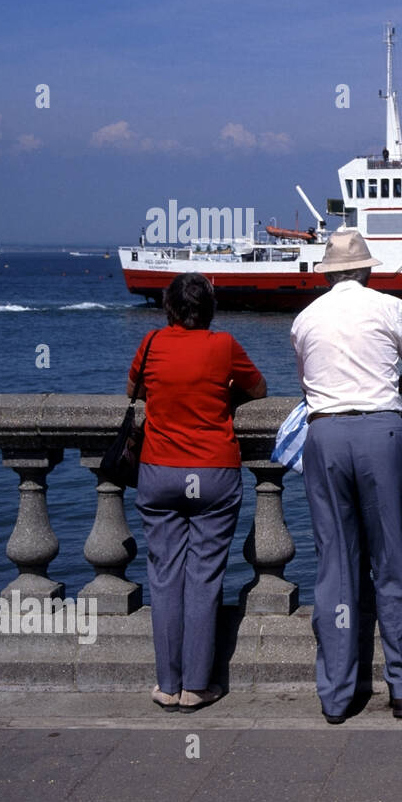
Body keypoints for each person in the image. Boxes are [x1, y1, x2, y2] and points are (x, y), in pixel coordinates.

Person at [290, 228, 402, 723]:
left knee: (335, 567)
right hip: (382, 432)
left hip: (326, 435)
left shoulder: (304, 319)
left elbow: (312, 382)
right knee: (390, 561)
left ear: (328, 274)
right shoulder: (390, 307)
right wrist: (388, 382)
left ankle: (337, 695)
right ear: (368, 270)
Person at [130, 273, 266, 713]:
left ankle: (167, 685)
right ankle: (197, 686)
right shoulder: (224, 345)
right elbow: (258, 389)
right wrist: (222, 392)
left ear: (169, 308)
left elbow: (135, 389)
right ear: (210, 309)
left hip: (159, 471)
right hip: (213, 473)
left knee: (164, 578)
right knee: (204, 577)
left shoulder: (150, 344)